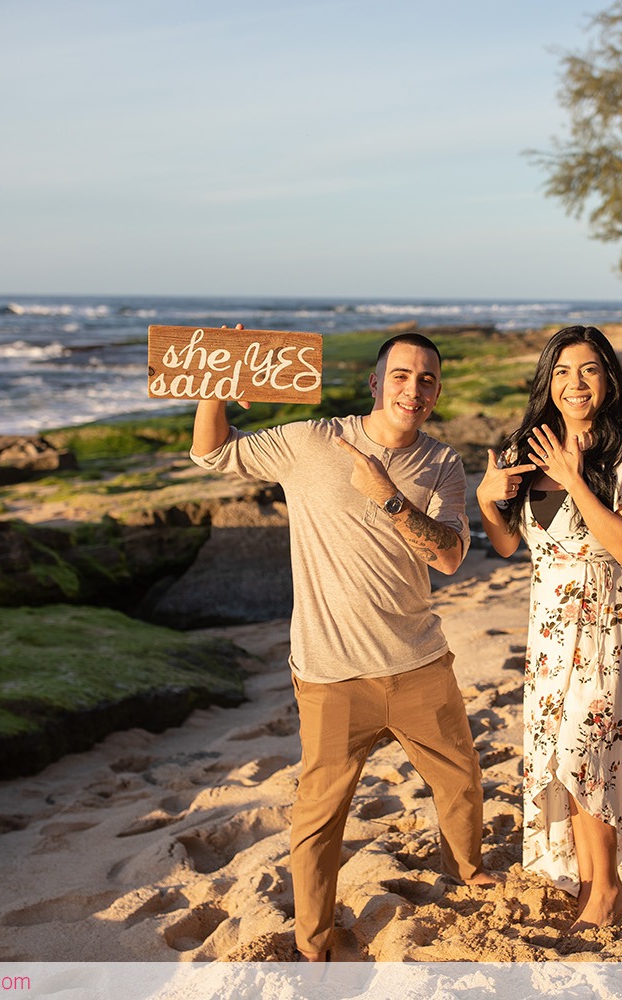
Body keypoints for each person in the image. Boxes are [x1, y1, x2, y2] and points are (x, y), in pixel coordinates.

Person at [190, 329, 499, 962]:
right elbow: (212, 452)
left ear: (437, 391)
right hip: (331, 674)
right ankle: (313, 941)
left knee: (462, 780)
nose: (413, 390)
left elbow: (449, 557)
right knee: (318, 818)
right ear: (376, 381)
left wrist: (385, 493)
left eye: (427, 380)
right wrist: (217, 388)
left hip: (417, 663)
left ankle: (467, 873)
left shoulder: (440, 462)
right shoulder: (309, 441)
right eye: (402, 376)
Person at [475, 324, 622, 931]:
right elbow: (509, 545)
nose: (574, 384)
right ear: (547, 382)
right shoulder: (528, 447)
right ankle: (589, 881)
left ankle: (606, 889)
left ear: (608, 379)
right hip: (552, 620)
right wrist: (485, 501)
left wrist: (576, 475)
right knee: (562, 753)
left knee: (590, 750)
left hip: (612, 614)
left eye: (587, 370)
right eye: (561, 372)